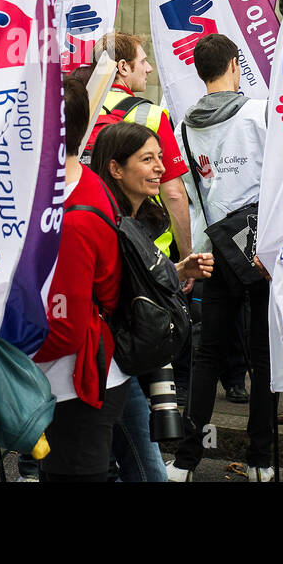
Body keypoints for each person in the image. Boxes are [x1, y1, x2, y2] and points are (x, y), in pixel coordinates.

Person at [168, 33, 274, 482]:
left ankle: (187, 460)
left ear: (198, 71)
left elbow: (190, 199)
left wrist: (191, 257)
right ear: (235, 64)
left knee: (207, 354)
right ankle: (261, 460)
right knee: (263, 359)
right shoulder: (260, 112)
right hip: (259, 252)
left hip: (214, 254)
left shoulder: (185, 127)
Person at [90, 123, 212, 482]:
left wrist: (176, 269)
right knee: (144, 471)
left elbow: (131, 283)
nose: (161, 167)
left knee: (140, 468)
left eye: (160, 157)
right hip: (103, 366)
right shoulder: (106, 220)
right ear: (115, 168)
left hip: (122, 365)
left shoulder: (133, 217)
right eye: (147, 159)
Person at [32, 78, 130, 481]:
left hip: (76, 382)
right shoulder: (79, 183)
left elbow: (66, 329)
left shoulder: (72, 215)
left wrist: (4, 360)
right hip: (86, 375)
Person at [85, 32, 193, 262]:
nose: (149, 69)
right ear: (123, 67)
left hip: (89, 240)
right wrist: (185, 256)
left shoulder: (76, 108)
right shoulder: (151, 115)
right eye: (143, 61)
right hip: (147, 252)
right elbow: (173, 193)